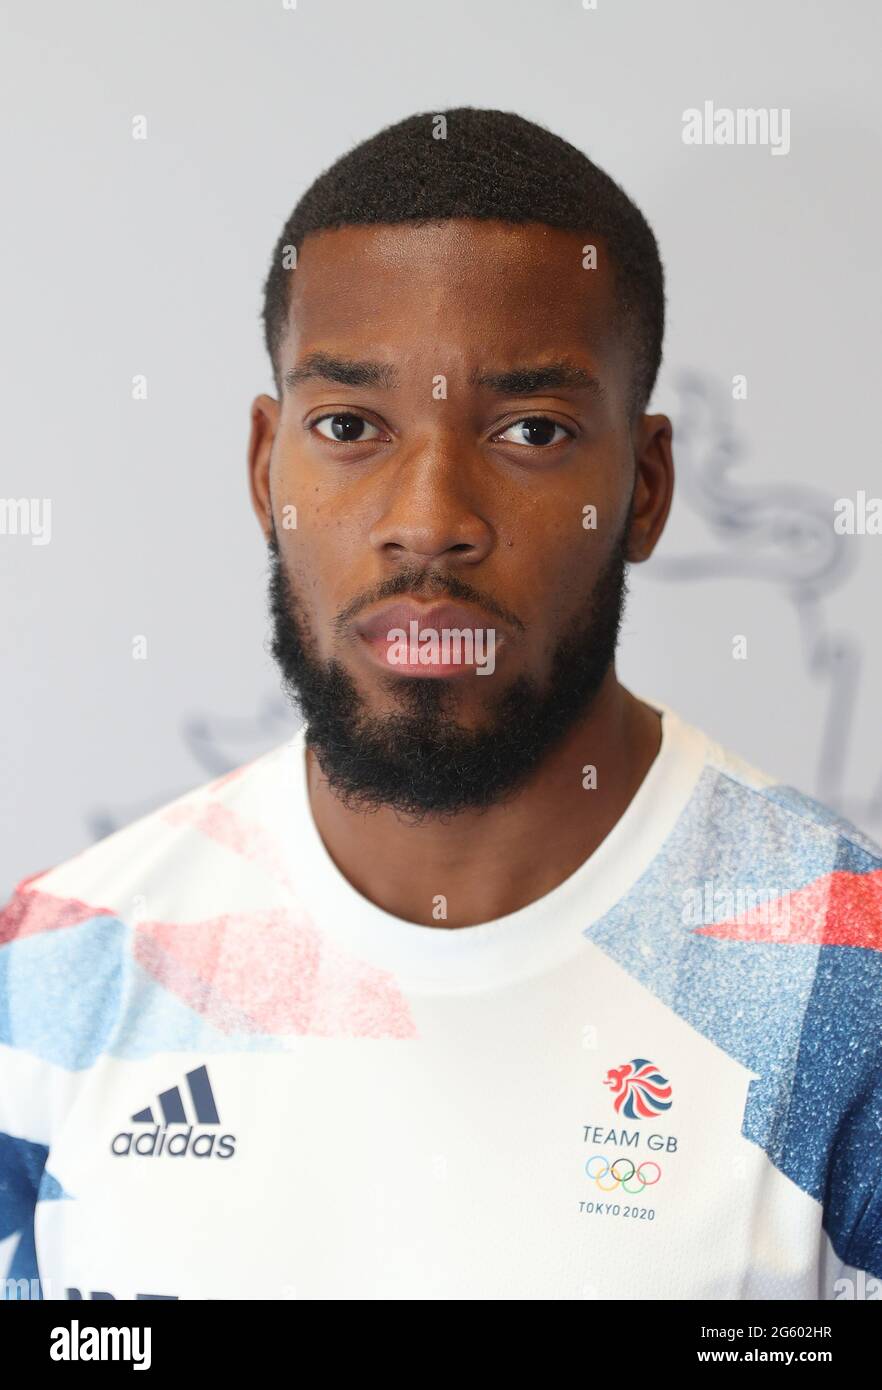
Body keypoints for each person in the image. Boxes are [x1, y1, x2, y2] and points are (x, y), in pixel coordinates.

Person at [1, 107, 879, 1302]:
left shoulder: (844, 984)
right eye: (349, 427)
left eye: (530, 430)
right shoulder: (55, 972)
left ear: (645, 487)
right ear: (268, 470)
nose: (429, 519)